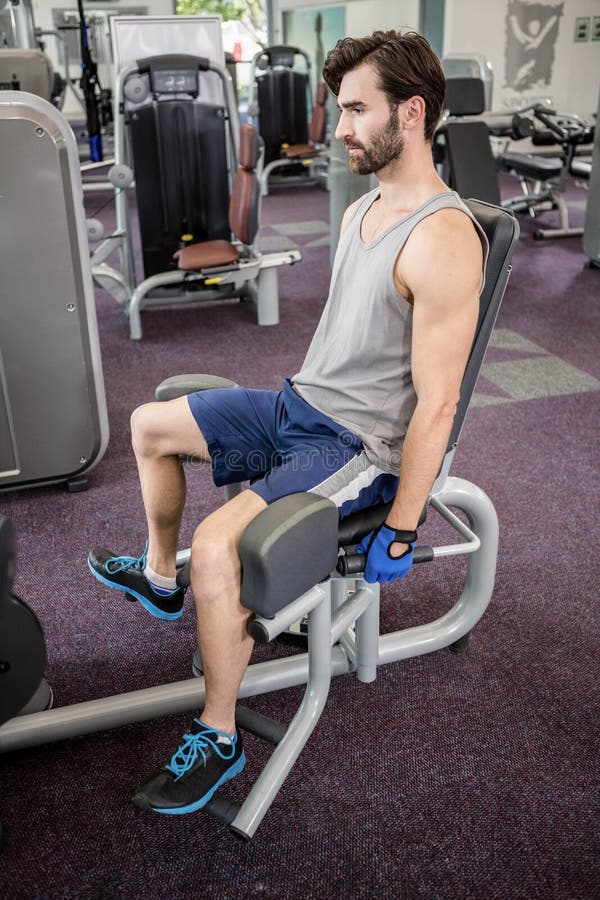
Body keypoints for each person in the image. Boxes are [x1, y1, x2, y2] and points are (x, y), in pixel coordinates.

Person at [88, 30, 487, 816]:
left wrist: (402, 528)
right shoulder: (367, 207)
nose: (339, 127)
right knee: (147, 425)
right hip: (297, 405)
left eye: (355, 110)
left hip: (352, 446)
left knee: (220, 545)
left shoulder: (442, 239)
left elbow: (436, 405)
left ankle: (220, 732)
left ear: (410, 115)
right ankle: (163, 582)